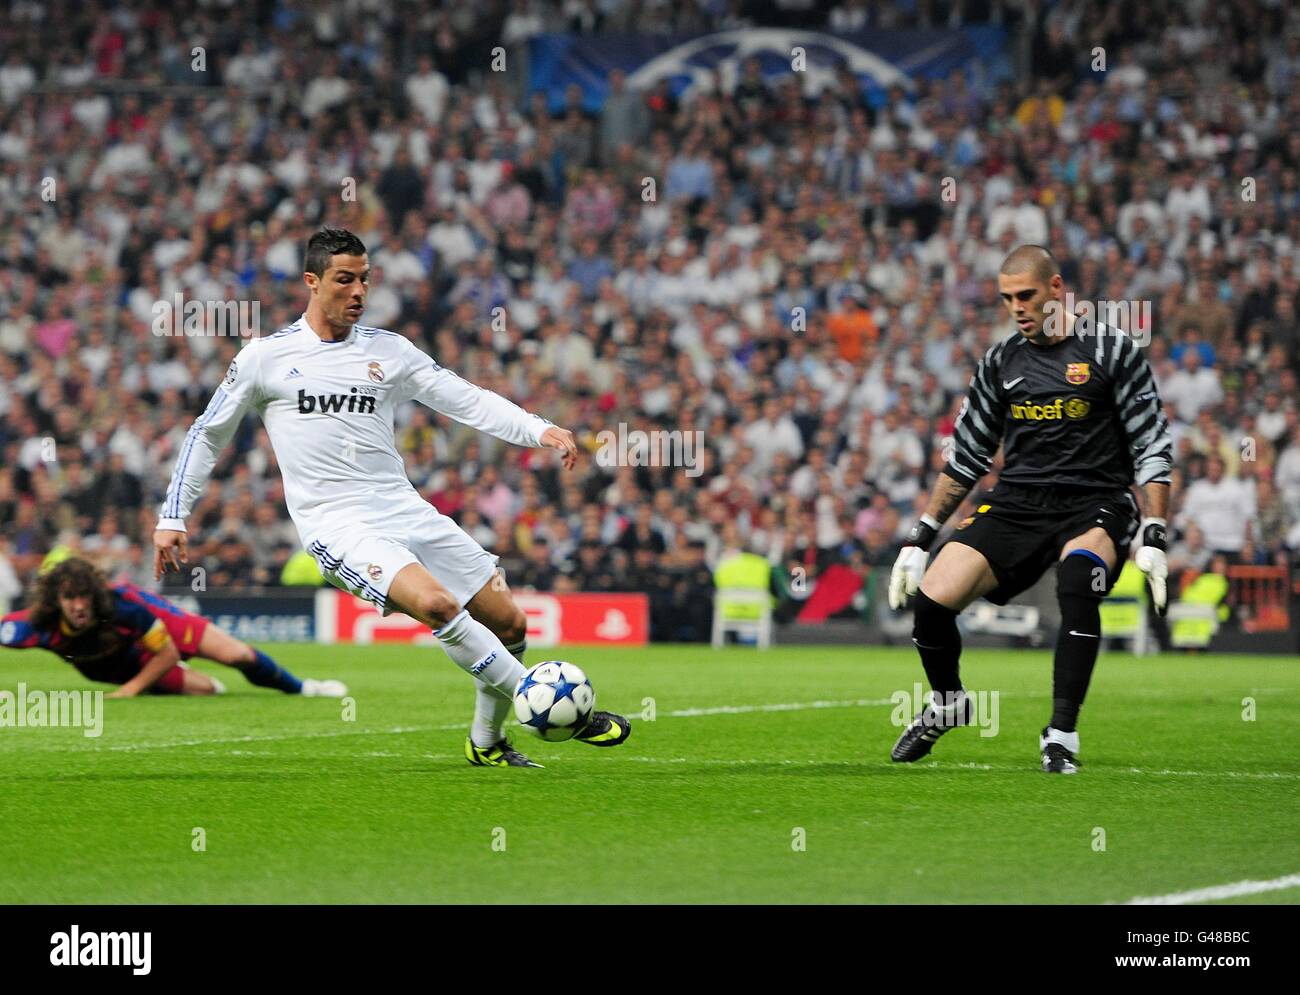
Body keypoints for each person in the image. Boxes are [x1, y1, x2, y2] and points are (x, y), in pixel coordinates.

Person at [154, 228, 630, 768]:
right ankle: (551, 706)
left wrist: (536, 428)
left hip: (404, 509)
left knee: (510, 623)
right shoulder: (266, 357)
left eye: (364, 279)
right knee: (436, 605)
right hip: (337, 527)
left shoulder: (389, 351)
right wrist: (173, 514)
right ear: (311, 282)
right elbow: (208, 432)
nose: (358, 290)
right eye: (344, 279)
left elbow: (463, 398)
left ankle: (487, 742)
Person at [888, 245, 1172, 773]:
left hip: (1096, 501)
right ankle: (948, 704)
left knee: (1076, 585)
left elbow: (1152, 442)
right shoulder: (1000, 362)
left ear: (1057, 288)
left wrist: (1154, 529)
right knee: (931, 604)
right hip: (1018, 502)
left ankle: (1061, 734)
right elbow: (968, 453)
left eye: (1027, 295)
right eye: (1007, 298)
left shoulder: (1112, 351)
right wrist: (920, 534)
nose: (1017, 307)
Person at [1, 558, 345, 698]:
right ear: (56, 600)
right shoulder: (34, 625)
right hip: (113, 664)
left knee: (238, 654)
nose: (78, 606)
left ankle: (303, 688)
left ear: (94, 596)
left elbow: (166, 652)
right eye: (69, 598)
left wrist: (131, 691)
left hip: (164, 628)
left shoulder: (123, 607)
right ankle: (186, 679)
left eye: (83, 597)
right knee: (208, 692)